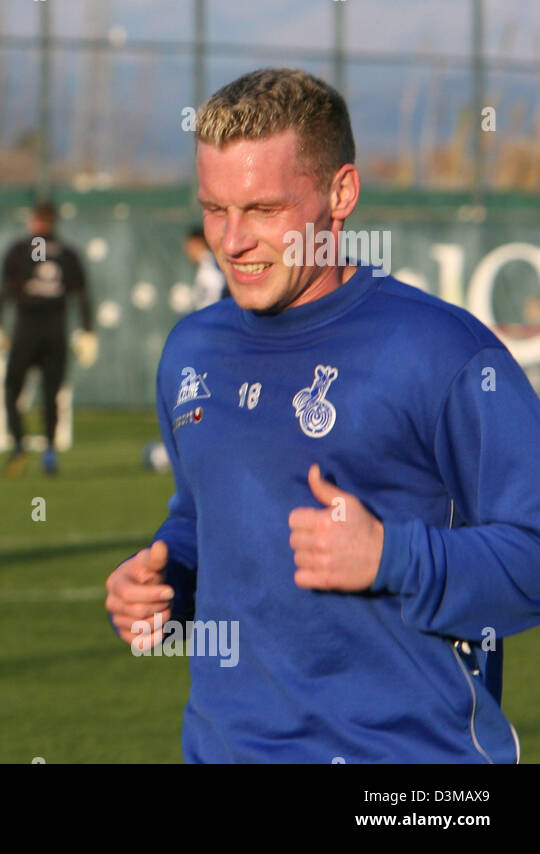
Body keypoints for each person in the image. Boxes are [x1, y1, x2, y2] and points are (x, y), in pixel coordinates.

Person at [104, 67, 540, 762]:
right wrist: (164, 582)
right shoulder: (192, 351)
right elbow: (199, 516)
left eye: (264, 210)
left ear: (341, 193)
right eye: (215, 209)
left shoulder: (440, 352)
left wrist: (392, 557)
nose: (233, 240)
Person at [0, 201, 96, 477]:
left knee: (12, 388)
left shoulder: (20, 250)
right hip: (56, 328)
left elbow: (4, 288)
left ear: (33, 220)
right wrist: (88, 330)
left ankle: (20, 445)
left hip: (28, 327)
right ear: (55, 222)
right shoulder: (67, 253)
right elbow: (81, 294)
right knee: (51, 393)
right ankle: (49, 451)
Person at [183, 225, 228, 310]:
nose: (187, 252)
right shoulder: (206, 263)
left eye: (189, 247)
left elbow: (216, 288)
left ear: (198, 243)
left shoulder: (209, 264)